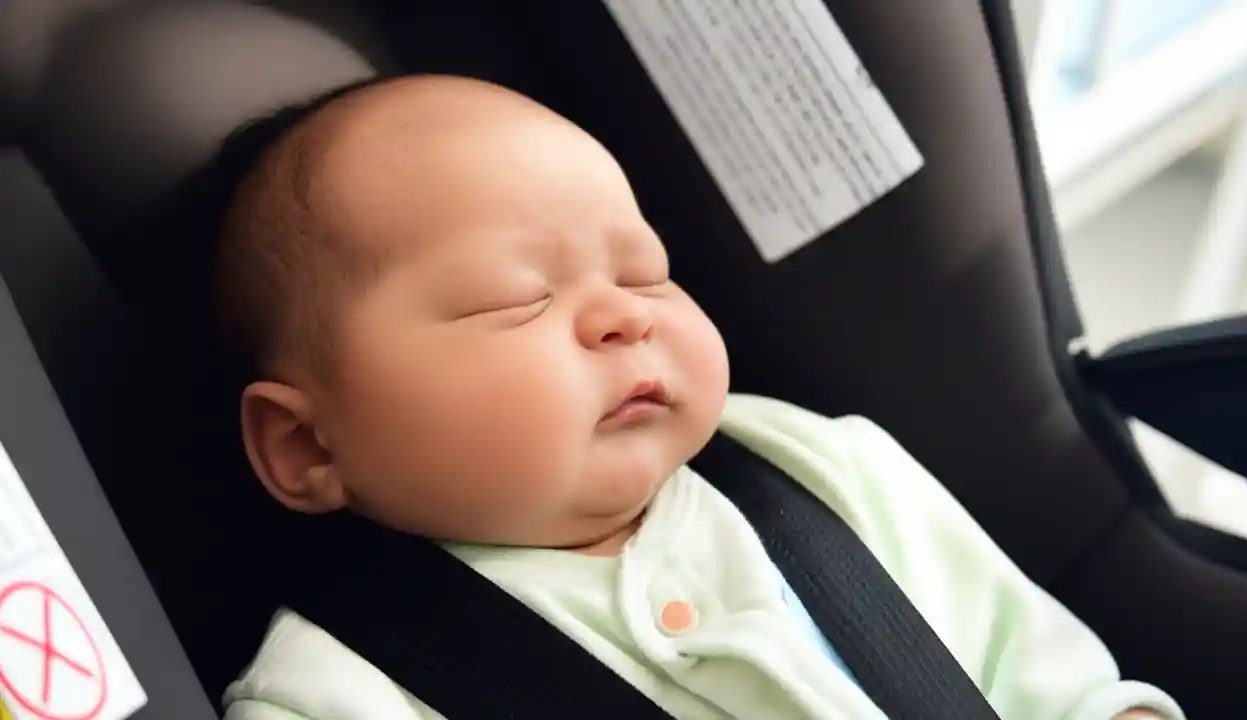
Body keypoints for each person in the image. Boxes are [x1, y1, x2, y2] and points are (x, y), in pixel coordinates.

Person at [212, 74, 1182, 720]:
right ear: (306, 446)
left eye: (643, 273)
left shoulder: (816, 468)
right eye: (518, 298)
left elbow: (1054, 684)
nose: (621, 318)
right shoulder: (329, 693)